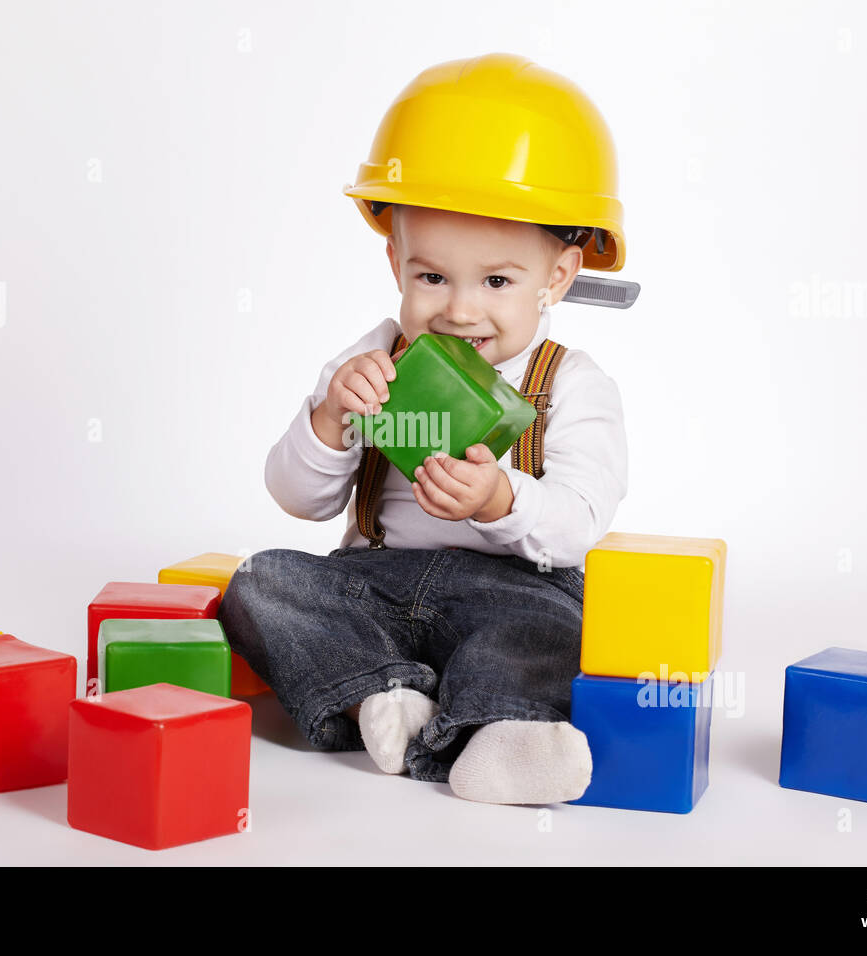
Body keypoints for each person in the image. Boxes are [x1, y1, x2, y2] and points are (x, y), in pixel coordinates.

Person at [217, 53, 629, 804]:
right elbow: (296, 498)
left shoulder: (570, 385)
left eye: (498, 281)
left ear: (558, 278)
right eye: (432, 277)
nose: (461, 310)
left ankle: (509, 735)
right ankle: (386, 698)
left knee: (554, 634)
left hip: (513, 591)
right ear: (395, 260)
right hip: (369, 583)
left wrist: (502, 501)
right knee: (260, 582)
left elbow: (579, 524)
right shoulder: (369, 362)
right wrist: (333, 417)